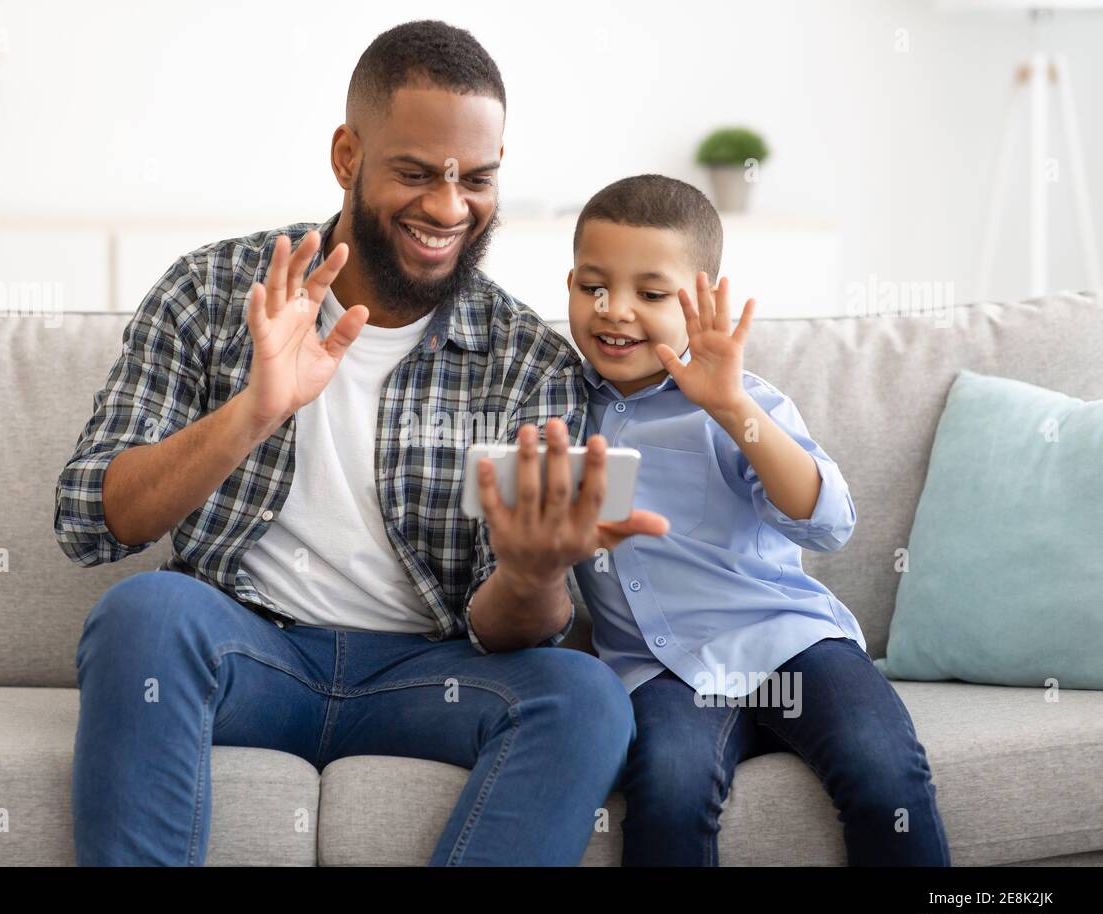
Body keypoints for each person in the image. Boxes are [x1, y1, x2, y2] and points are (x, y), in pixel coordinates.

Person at [54, 21, 664, 866]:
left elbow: (516, 632)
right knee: (143, 614)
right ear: (348, 156)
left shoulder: (528, 362)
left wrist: (533, 573)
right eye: (415, 173)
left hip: (429, 675)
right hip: (250, 651)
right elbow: (90, 517)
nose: (450, 208)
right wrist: (254, 413)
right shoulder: (211, 291)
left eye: (477, 179)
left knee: (587, 696)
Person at [566, 173, 950, 866]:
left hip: (789, 641)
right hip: (660, 671)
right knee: (668, 793)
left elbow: (827, 521)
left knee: (882, 769)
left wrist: (730, 407)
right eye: (593, 286)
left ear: (701, 300)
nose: (614, 309)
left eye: (650, 294)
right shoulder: (555, 406)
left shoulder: (740, 401)